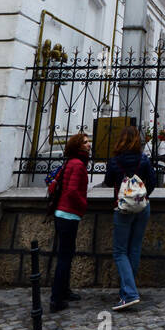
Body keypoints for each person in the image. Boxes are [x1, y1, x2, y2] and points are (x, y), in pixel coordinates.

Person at [104, 125, 156, 311]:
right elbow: (153, 182)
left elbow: (108, 181)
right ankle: (127, 291)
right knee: (134, 249)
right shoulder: (144, 160)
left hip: (123, 209)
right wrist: (140, 197)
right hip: (143, 208)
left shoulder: (115, 161)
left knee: (119, 252)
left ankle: (130, 293)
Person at [49, 132, 91, 313]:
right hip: (68, 214)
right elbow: (73, 191)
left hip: (63, 213)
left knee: (67, 253)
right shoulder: (78, 165)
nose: (89, 144)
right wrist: (84, 205)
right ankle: (56, 299)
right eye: (85, 142)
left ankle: (64, 291)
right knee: (65, 257)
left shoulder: (71, 163)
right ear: (77, 147)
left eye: (88, 141)